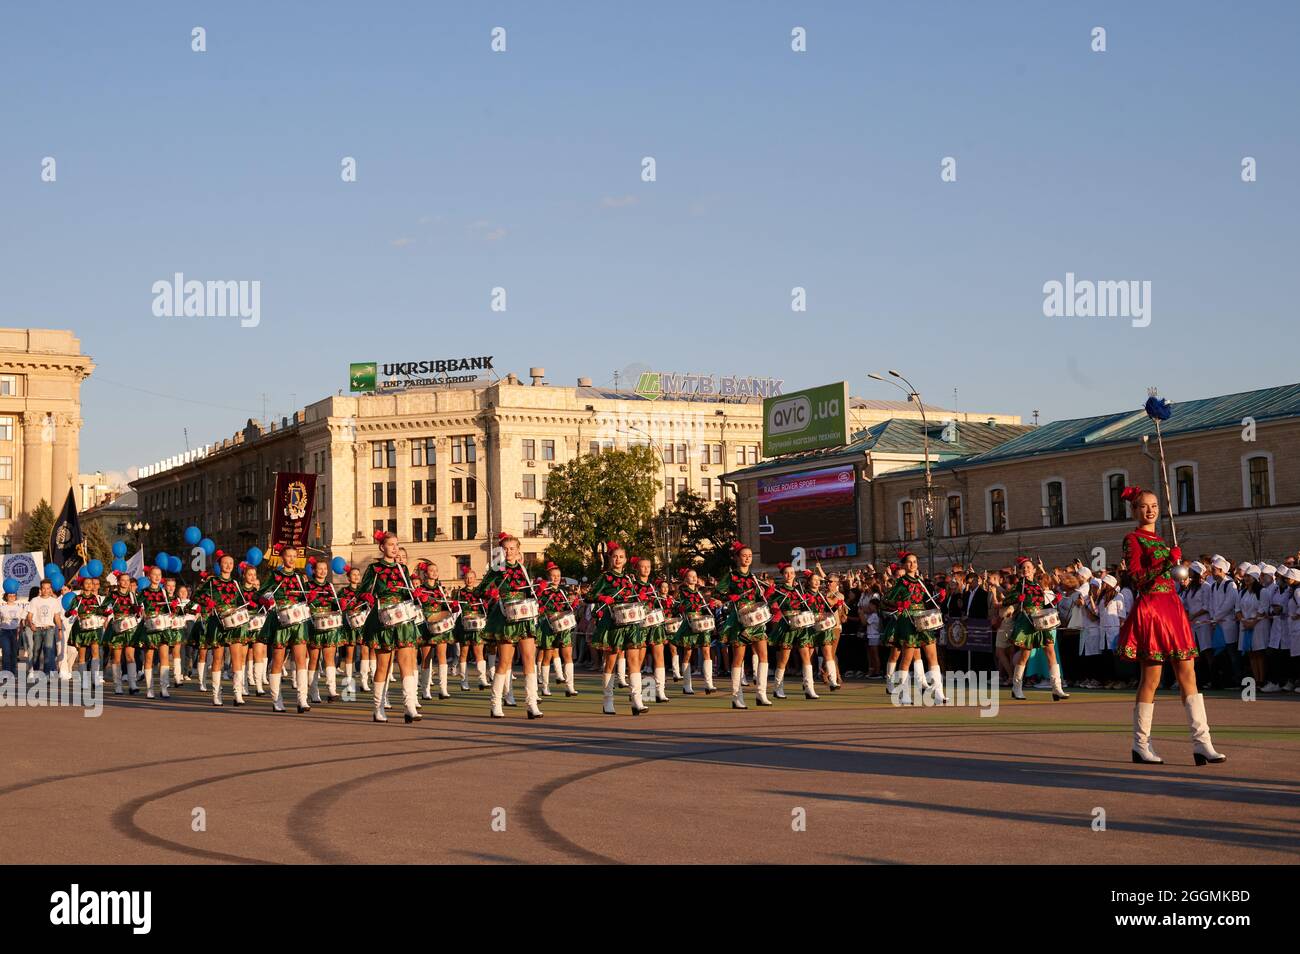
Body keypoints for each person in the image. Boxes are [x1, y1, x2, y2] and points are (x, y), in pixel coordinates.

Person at [1116, 486, 1226, 766]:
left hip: (1172, 608)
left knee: (1188, 674)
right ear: (1134, 510)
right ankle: (1140, 745)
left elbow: (1169, 575)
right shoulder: (1132, 539)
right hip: (1152, 608)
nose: (1150, 510)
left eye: (1154, 505)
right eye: (1143, 506)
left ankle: (1203, 744)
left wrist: (1176, 566)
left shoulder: (1163, 540)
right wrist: (1167, 561)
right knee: (1151, 679)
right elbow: (1138, 578)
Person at [475, 533, 544, 719]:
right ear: (501, 550)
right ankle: (495, 703)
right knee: (505, 661)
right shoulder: (497, 569)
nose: (508, 552)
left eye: (512, 548)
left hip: (524, 616)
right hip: (504, 616)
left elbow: (528, 592)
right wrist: (491, 592)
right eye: (505, 548)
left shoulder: (522, 568)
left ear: (518, 550)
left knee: (530, 658)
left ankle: (531, 704)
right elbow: (479, 591)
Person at [358, 531, 422, 723]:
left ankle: (410, 706)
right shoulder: (374, 568)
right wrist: (366, 596)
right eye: (391, 544)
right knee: (383, 665)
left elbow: (409, 594)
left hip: (402, 621)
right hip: (383, 620)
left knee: (406, 663)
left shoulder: (403, 569)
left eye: (397, 544)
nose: (395, 548)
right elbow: (364, 590)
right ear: (382, 547)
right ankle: (378, 708)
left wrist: (419, 596)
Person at [881, 552, 947, 705]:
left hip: (923, 621)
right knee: (906, 659)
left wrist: (939, 597)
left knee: (933, 657)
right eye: (909, 562)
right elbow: (884, 602)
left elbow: (927, 603)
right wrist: (898, 605)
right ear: (904, 565)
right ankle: (903, 694)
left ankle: (939, 694)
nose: (912, 564)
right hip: (908, 621)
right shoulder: (900, 583)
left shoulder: (921, 582)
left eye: (915, 562)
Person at [715, 542, 772, 709]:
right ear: (737, 558)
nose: (747, 558)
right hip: (739, 619)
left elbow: (759, 597)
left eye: (750, 556)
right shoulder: (731, 576)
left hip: (755, 619)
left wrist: (766, 594)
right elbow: (718, 592)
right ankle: (736, 696)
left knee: (764, 655)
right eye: (744, 555)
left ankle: (761, 693)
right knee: (738, 657)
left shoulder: (754, 577)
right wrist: (728, 597)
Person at [587, 542, 642, 714]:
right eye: (615, 556)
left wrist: (638, 597)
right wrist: (603, 597)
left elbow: (633, 600)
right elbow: (589, 596)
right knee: (610, 662)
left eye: (621, 557)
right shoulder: (604, 577)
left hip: (630, 623)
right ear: (610, 558)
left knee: (633, 661)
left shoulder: (629, 579)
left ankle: (636, 700)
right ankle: (608, 700)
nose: (618, 559)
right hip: (612, 622)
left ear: (625, 560)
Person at [258, 544, 313, 713]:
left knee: (301, 660)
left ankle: (302, 699)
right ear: (282, 557)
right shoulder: (275, 575)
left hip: (298, 621)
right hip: (280, 620)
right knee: (278, 659)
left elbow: (306, 596)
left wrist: (309, 596)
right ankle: (277, 700)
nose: (291, 559)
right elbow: (261, 592)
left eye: (294, 556)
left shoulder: (299, 576)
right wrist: (268, 599)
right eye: (288, 556)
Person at [194, 553, 253, 706]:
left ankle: (237, 693)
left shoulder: (235, 583)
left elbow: (241, 600)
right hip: (217, 622)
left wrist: (251, 603)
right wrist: (208, 601)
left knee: (237, 658)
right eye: (225, 563)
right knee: (218, 658)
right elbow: (196, 595)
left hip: (234, 622)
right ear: (219, 565)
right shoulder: (212, 581)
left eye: (231, 563)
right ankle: (216, 694)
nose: (228, 566)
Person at [413, 560, 458, 701]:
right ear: (426, 573)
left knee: (442, 655)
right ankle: (425, 689)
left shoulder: (440, 589)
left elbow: (445, 607)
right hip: (426, 624)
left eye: (436, 570)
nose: (434, 572)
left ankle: (443, 688)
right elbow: (414, 606)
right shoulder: (421, 588)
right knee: (427, 657)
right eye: (431, 570)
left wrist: (453, 606)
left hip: (440, 624)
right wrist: (418, 597)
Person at [534, 562, 579, 696]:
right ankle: (545, 686)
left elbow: (566, 609)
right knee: (547, 656)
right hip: (548, 625)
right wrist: (540, 601)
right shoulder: (543, 591)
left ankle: (570, 687)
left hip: (563, 625)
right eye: (553, 576)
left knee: (568, 656)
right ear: (548, 577)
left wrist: (573, 605)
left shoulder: (563, 591)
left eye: (558, 576)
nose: (556, 578)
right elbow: (537, 605)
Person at [673, 568, 718, 695]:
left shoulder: (699, 593)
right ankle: (687, 685)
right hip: (689, 623)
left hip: (701, 623)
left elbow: (704, 609)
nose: (694, 578)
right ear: (685, 578)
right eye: (691, 576)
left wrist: (711, 613)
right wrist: (685, 607)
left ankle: (709, 684)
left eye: (695, 575)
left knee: (706, 651)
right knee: (688, 654)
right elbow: (676, 606)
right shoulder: (681, 592)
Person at [455, 568, 490, 692]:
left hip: (478, 623)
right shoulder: (459, 592)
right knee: (463, 653)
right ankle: (464, 681)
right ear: (464, 579)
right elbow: (454, 608)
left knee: (479, 652)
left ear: (475, 579)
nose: (469, 580)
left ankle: (482, 679)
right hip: (464, 624)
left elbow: (486, 606)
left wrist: (486, 604)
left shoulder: (479, 592)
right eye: (466, 577)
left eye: (471, 577)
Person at [25, 579, 64, 679]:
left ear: (50, 589)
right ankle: (36, 672)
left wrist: (60, 629)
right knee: (36, 652)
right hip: (37, 629)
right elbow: (29, 616)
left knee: (49, 652)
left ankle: (47, 674)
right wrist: (31, 624)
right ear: (41, 589)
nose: (46, 590)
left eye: (48, 588)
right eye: (44, 588)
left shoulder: (54, 601)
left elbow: (57, 617)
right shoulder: (35, 600)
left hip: (49, 629)